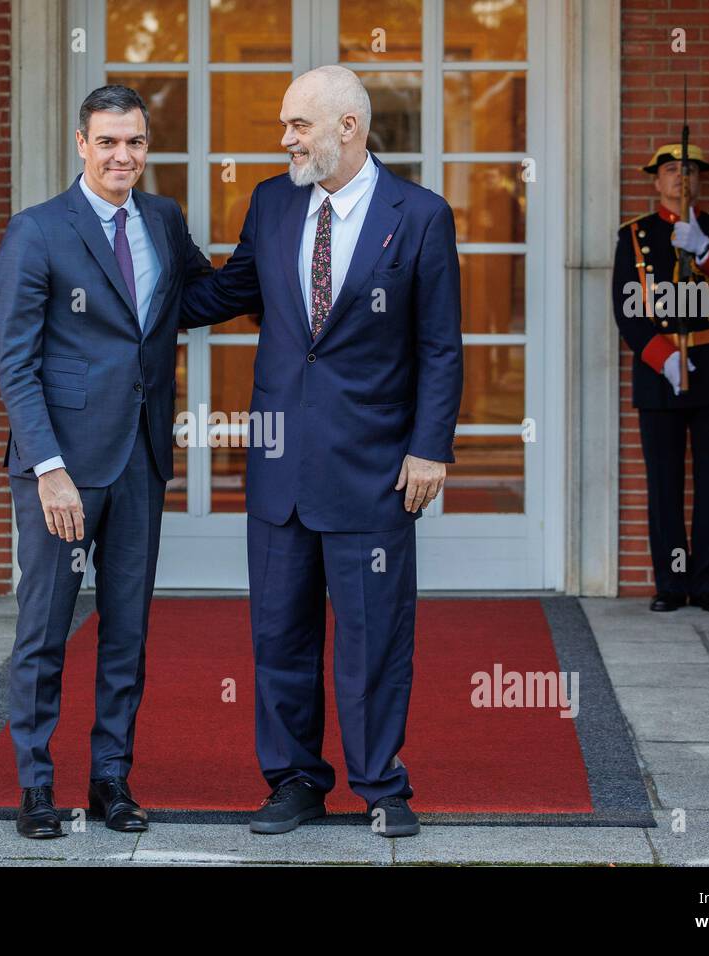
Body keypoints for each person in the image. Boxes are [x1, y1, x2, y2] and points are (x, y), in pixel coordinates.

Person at [182, 65, 465, 838]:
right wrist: (138, 278)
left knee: (374, 633)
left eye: (298, 125)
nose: (285, 139)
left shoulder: (419, 216)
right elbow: (228, 290)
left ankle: (381, 784)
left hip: (375, 466)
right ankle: (295, 782)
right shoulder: (273, 202)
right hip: (278, 459)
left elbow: (440, 347)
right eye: (285, 125)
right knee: (279, 632)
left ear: (348, 126)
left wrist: (429, 448)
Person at [0, 86, 216, 839]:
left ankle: (113, 779)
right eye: (109, 142)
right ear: (82, 146)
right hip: (64, 468)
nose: (124, 156)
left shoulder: (163, 219)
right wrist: (47, 467)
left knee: (127, 630)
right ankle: (33, 785)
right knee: (46, 627)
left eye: (135, 143)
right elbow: (16, 364)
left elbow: (203, 292)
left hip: (142, 457)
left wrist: (286, 258)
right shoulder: (36, 232)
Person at [612, 143, 709, 613]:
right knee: (665, 486)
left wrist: (706, 251)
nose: (681, 177)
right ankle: (672, 585)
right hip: (662, 373)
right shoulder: (635, 234)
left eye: (690, 170)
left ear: (700, 180)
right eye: (671, 170)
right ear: (656, 181)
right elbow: (626, 308)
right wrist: (664, 358)